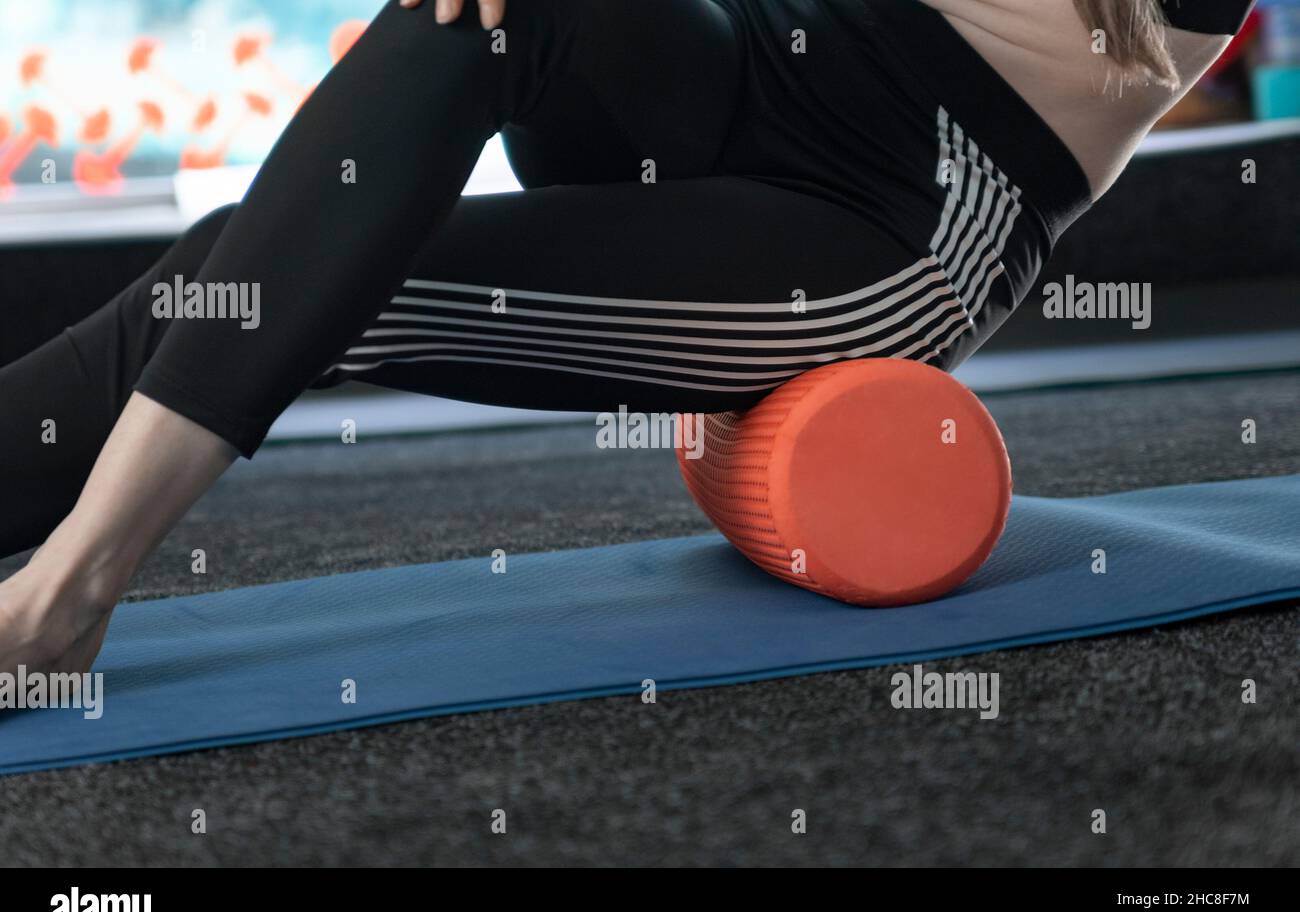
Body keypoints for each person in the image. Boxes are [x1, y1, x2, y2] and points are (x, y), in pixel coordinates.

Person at [0, 0, 1257, 673]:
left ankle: (75, 584)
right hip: (751, 61)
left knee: (303, 274)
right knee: (475, 15)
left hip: (892, 223)